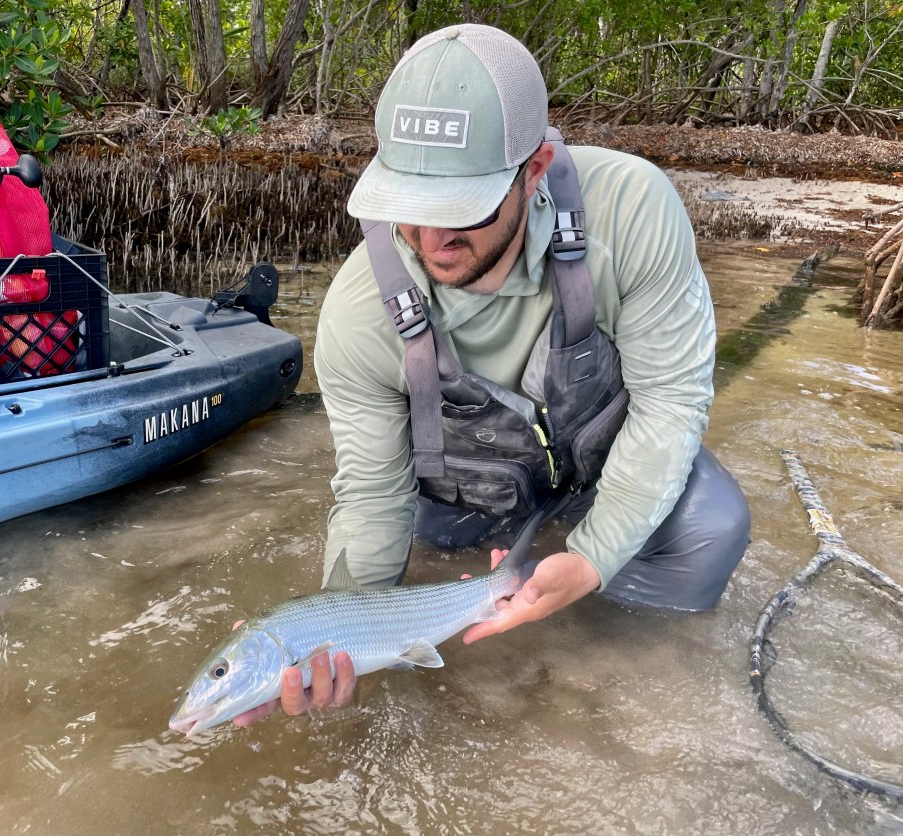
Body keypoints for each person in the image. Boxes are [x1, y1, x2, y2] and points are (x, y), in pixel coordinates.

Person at [233, 23, 751, 727]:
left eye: (462, 209)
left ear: (535, 171)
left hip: (605, 464)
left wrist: (592, 561)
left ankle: (622, 680)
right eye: (410, 204)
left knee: (714, 527)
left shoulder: (633, 211)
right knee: (416, 553)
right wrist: (330, 636)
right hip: (466, 497)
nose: (430, 240)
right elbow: (373, 497)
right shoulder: (357, 314)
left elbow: (672, 402)